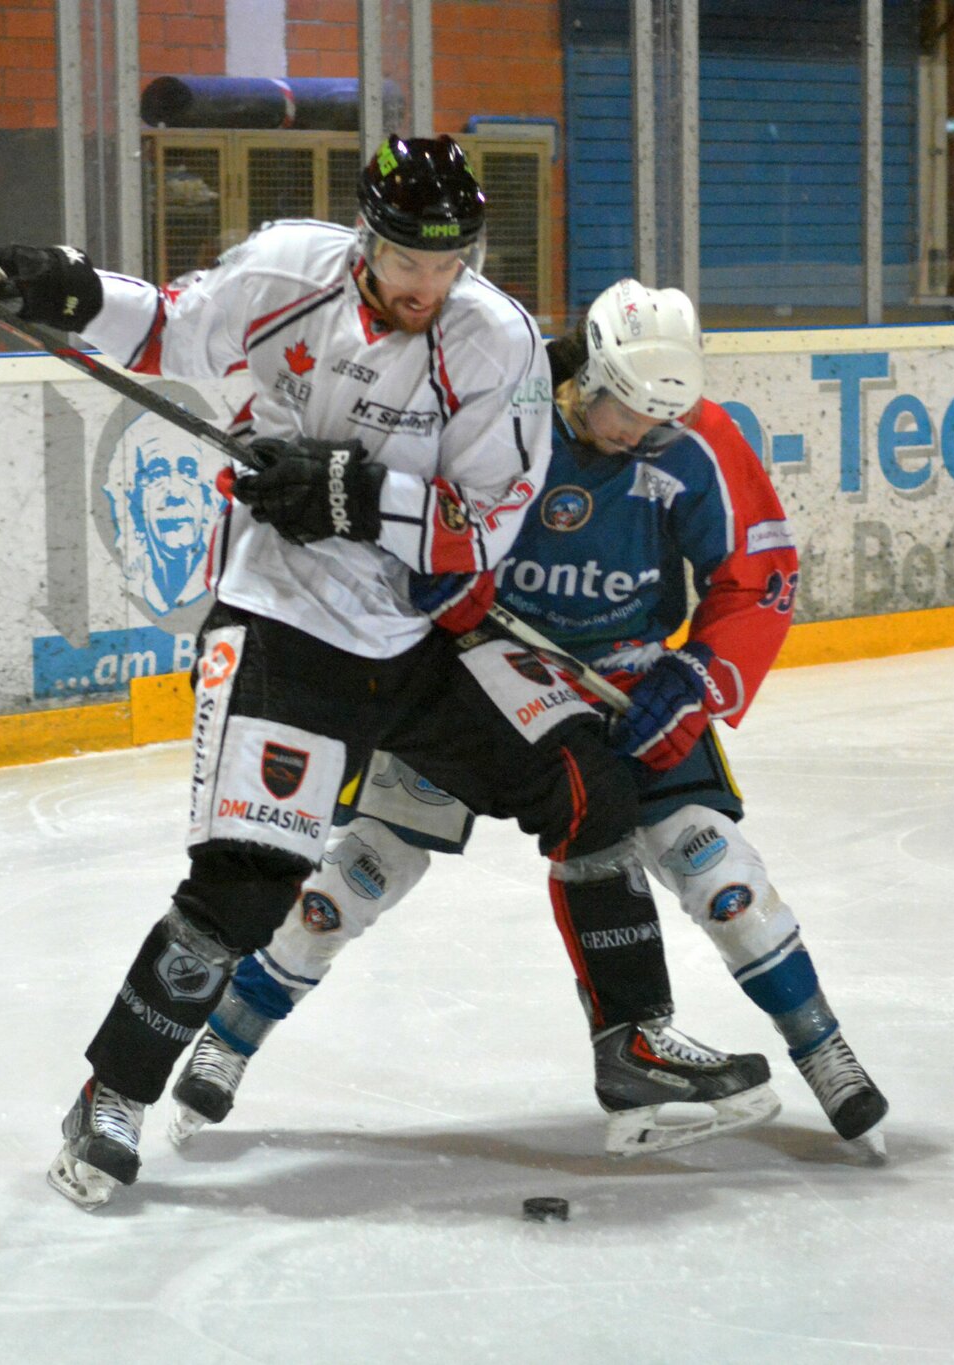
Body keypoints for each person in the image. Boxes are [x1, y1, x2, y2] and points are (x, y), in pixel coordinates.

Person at [0, 136, 770, 1210]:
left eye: (448, 265)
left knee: (589, 785)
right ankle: (110, 1095)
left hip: (415, 640)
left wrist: (353, 495)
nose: (426, 286)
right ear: (367, 238)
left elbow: (489, 526)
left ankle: (632, 1043)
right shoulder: (282, 274)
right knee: (245, 880)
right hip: (284, 630)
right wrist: (69, 290)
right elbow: (170, 324)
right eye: (407, 261)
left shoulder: (488, 342)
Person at [166, 279, 890, 1151]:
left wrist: (700, 675)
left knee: (720, 871)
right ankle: (229, 1039)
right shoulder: (492, 411)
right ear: (584, 368)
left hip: (631, 684)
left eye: (657, 421)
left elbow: (760, 575)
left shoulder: (701, 440)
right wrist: (430, 576)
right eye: (620, 406)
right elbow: (404, 522)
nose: (634, 433)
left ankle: (826, 1051)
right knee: (360, 871)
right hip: (478, 675)